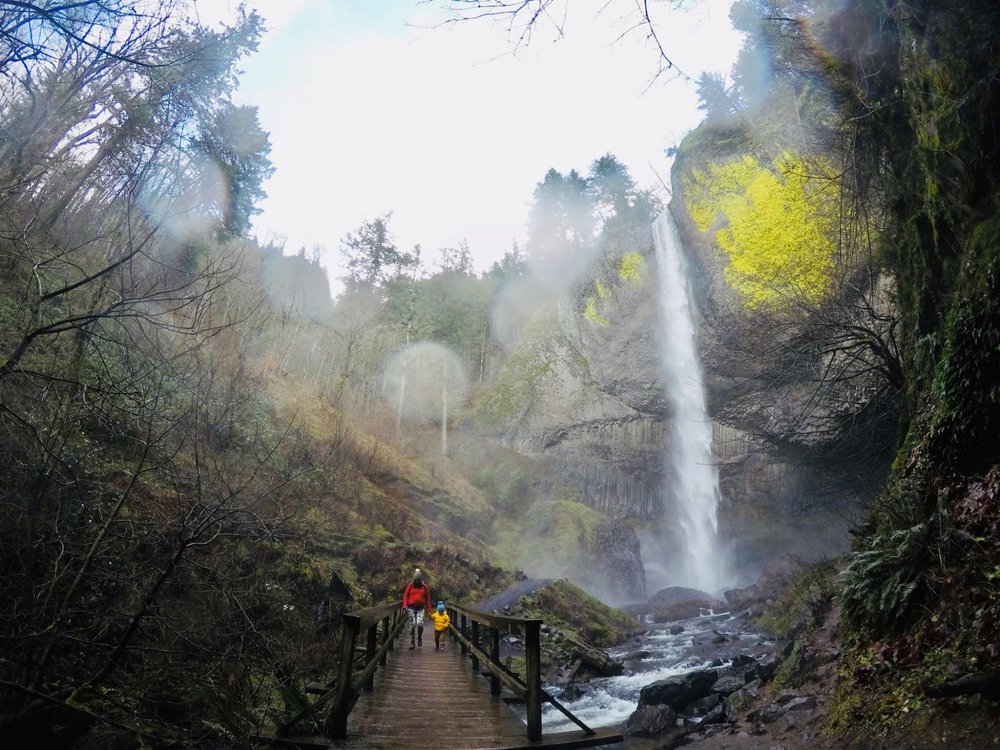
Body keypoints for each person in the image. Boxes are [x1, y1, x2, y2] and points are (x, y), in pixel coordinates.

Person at [401, 568, 432, 649]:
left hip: (421, 608)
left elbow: (428, 599)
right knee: (412, 625)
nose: (416, 582)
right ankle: (412, 642)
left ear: (420, 580)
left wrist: (429, 610)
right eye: (415, 580)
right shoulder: (410, 585)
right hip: (411, 607)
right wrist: (405, 605)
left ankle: (419, 638)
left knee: (420, 624)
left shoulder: (424, 587)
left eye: (418, 580)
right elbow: (406, 596)